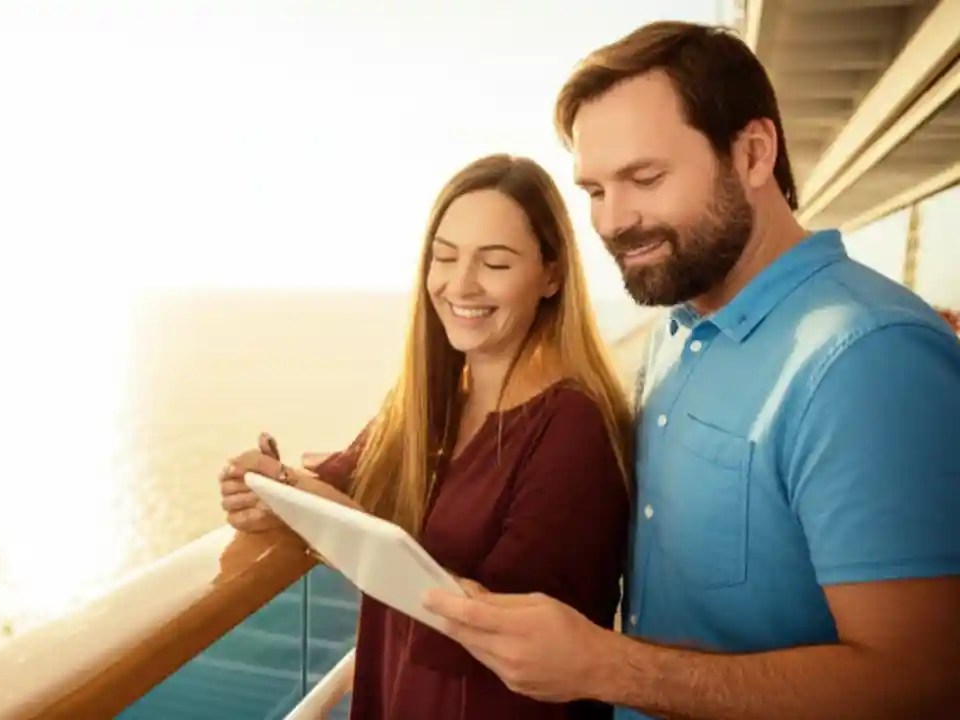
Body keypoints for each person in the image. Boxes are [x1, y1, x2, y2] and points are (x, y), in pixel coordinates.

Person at [424, 21, 960, 719]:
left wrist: (605, 665)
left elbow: (926, 679)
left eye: (644, 178)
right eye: (594, 190)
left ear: (754, 153)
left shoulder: (867, 357)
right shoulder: (677, 330)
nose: (614, 221)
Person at [217, 153, 633, 719]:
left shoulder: (572, 429)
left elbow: (494, 629)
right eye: (444, 257)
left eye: (496, 263)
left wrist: (300, 494)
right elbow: (342, 481)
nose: (460, 284)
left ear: (552, 275)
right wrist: (267, 489)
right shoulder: (433, 398)